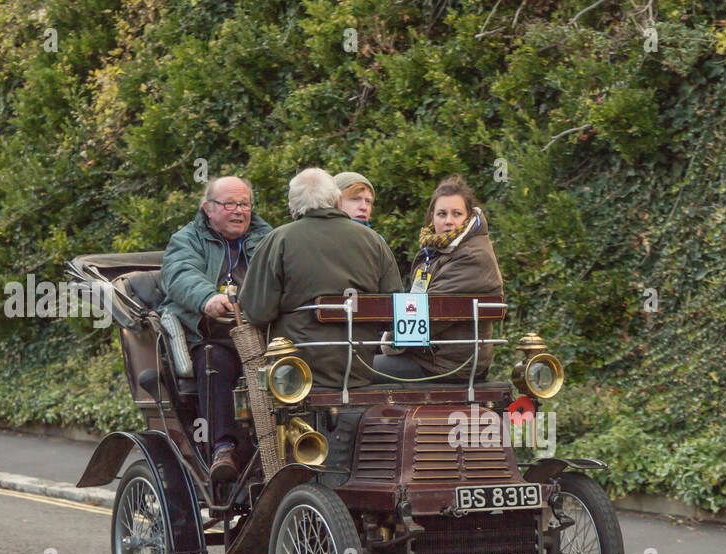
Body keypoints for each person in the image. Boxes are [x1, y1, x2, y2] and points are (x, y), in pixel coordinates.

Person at [240, 168, 402, 390]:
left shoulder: (279, 240)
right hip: (357, 370)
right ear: (336, 200)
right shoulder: (374, 242)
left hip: (294, 373)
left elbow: (257, 312)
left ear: (292, 206)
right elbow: (393, 309)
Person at [158, 177, 272, 481]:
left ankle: (280, 446)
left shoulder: (268, 237)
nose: (239, 211)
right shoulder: (186, 239)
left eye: (244, 204)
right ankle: (223, 448)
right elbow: (179, 274)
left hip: (261, 330)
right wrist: (207, 297)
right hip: (210, 332)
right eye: (230, 204)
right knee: (215, 360)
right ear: (208, 208)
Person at [373, 175, 504, 383]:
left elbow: (433, 314)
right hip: (431, 354)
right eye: (442, 214)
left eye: (457, 214)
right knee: (361, 356)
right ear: (432, 217)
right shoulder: (437, 251)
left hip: (451, 364)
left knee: (358, 370)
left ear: (468, 217)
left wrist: (388, 339)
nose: (448, 221)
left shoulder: (472, 256)